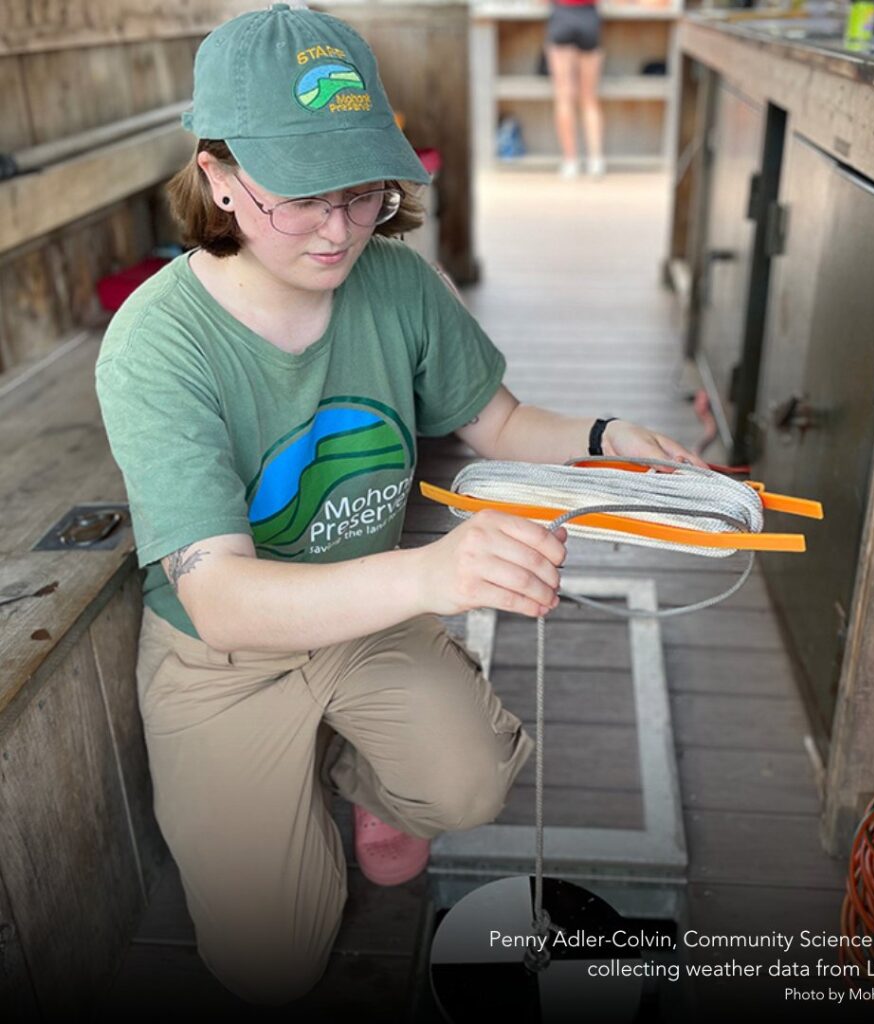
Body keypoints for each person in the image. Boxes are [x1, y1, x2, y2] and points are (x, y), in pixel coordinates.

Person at [94, 3, 702, 1008]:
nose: (339, 228)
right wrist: (437, 570)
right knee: (268, 962)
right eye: (301, 195)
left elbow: (496, 421)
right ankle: (311, 758)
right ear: (220, 178)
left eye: (362, 188)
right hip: (226, 657)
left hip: (370, 616)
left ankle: (366, 774)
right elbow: (223, 601)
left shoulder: (396, 283)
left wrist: (604, 439)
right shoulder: (158, 344)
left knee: (466, 780)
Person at [546, 0, 605, 178]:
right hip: (589, 18)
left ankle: (570, 161)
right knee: (589, 97)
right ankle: (595, 160)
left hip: (562, 15)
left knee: (564, 96)